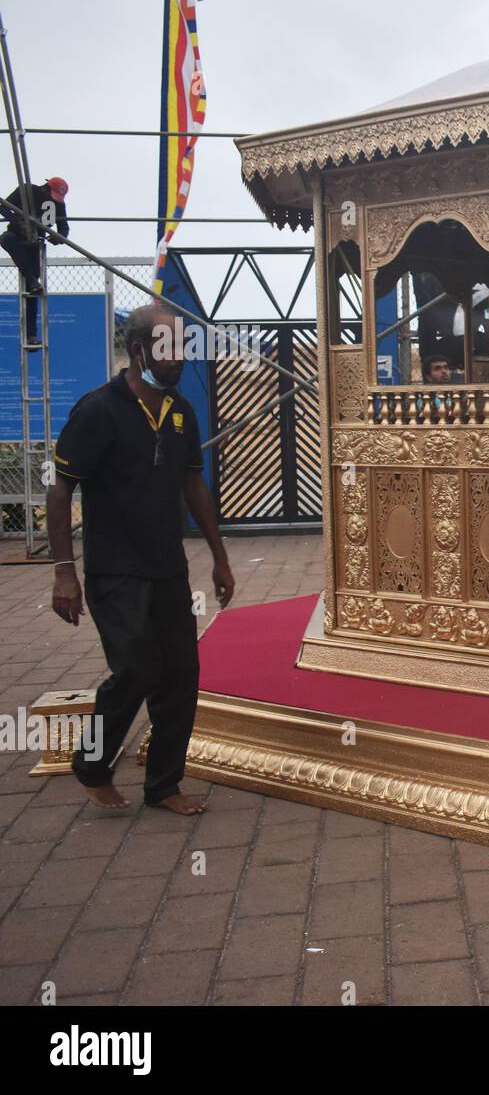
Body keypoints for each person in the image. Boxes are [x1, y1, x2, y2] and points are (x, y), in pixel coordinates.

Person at [46, 303, 235, 815]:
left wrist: (220, 557)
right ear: (138, 351)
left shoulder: (180, 412)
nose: (180, 359)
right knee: (134, 669)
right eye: (169, 349)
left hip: (168, 568)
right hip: (114, 570)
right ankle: (91, 765)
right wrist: (64, 572)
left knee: (179, 673)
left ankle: (164, 786)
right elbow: (61, 491)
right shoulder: (98, 410)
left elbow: (194, 484)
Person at [1, 176, 69, 344]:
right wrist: (19, 223)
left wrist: (57, 237)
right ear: (46, 187)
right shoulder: (27, 190)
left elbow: (64, 229)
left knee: (32, 289)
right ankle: (31, 280)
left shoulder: (58, 205)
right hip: (17, 235)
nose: (51, 200)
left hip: (36, 243)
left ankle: (30, 335)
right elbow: (3, 206)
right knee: (6, 239)